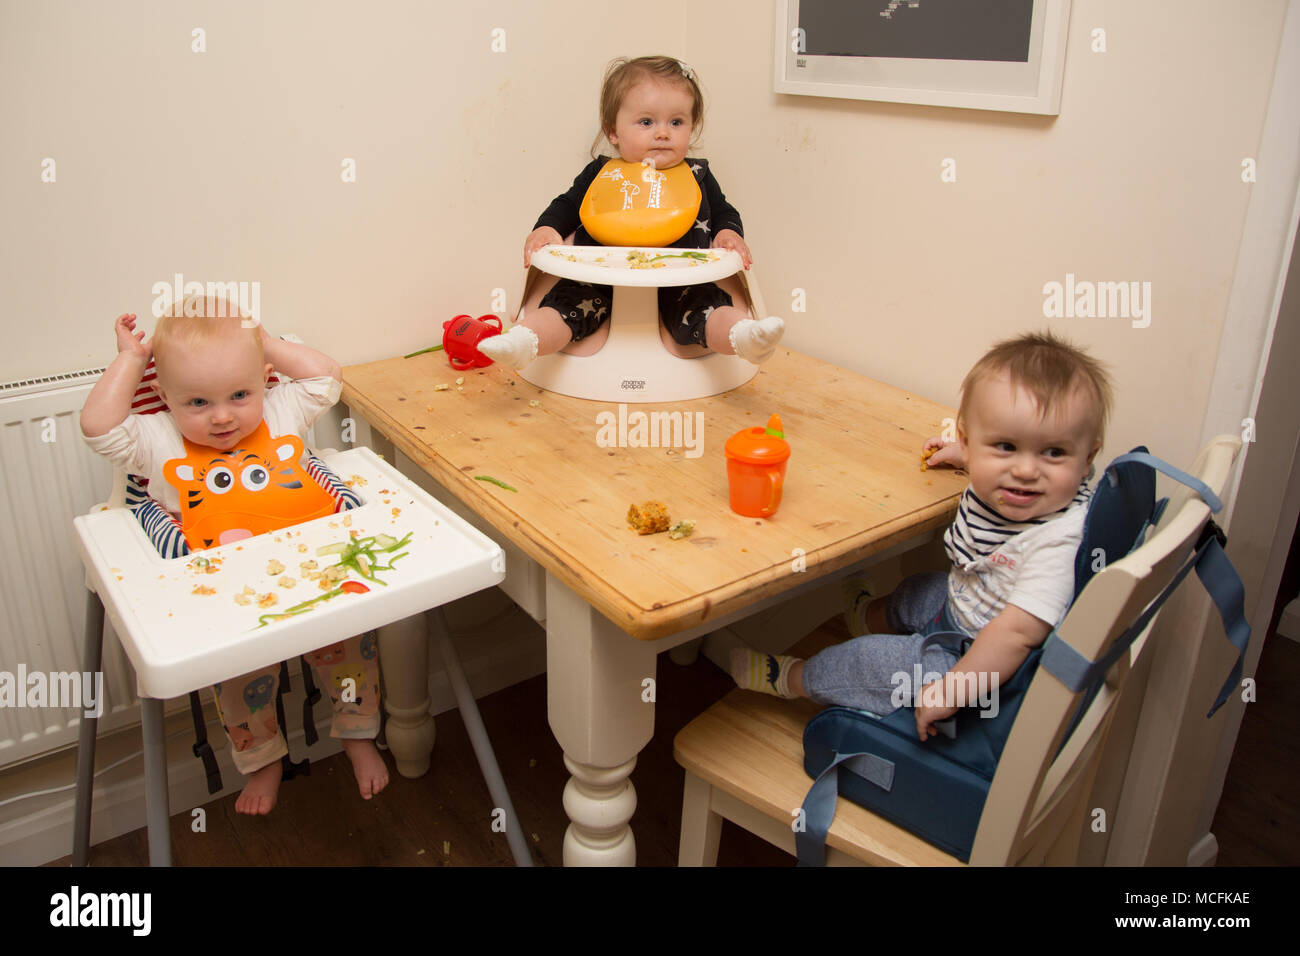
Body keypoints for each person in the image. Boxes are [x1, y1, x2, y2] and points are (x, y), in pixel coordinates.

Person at [80, 296, 389, 813]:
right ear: (163, 396)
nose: (222, 417)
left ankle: (357, 736)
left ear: (265, 380)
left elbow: (326, 379)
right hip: (227, 593)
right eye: (197, 403)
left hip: (314, 571)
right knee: (243, 678)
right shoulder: (157, 439)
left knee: (351, 651)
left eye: (239, 394)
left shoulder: (279, 407)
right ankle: (265, 761)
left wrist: (263, 343)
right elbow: (99, 427)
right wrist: (132, 361)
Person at [730, 331, 1114, 741]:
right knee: (917, 590)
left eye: (1053, 453)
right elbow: (1006, 460)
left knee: (867, 663)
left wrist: (953, 690)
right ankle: (864, 618)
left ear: (1087, 457)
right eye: (1004, 446)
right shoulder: (1026, 483)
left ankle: (791, 678)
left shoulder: (1058, 540)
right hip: (966, 610)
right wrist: (966, 458)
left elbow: (1018, 633)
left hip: (980, 664)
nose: (1025, 470)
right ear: (970, 441)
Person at [479, 55, 784, 368]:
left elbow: (722, 211)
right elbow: (568, 205)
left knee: (707, 309)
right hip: (597, 278)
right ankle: (525, 340)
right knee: (565, 308)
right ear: (614, 132)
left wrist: (728, 232)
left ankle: (744, 336)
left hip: (681, 281)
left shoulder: (697, 175)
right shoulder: (601, 173)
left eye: (676, 122)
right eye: (647, 122)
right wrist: (547, 228)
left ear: (691, 127)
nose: (663, 133)